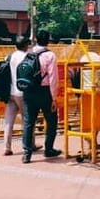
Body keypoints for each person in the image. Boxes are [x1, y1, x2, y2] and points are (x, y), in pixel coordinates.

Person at [22, 30, 61, 163]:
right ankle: (48, 149)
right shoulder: (50, 55)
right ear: (48, 41)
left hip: (29, 91)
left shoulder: (28, 53)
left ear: (36, 40)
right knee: (51, 121)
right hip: (45, 92)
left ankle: (27, 153)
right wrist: (54, 98)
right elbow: (53, 78)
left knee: (29, 122)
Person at [3, 36, 30, 156]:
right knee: (27, 120)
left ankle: (6, 147)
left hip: (10, 92)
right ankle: (28, 145)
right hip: (23, 93)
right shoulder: (27, 57)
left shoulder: (9, 56)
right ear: (26, 46)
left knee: (8, 121)